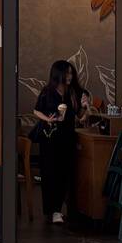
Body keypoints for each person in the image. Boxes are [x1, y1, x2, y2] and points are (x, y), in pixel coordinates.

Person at [31, 59, 87, 225]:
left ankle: (58, 211)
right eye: (66, 73)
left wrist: (86, 107)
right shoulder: (47, 91)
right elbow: (36, 111)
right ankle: (50, 210)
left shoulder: (74, 92)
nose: (69, 76)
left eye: (71, 73)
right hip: (49, 137)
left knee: (64, 174)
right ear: (58, 74)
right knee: (49, 174)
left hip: (67, 137)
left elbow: (81, 117)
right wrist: (47, 119)